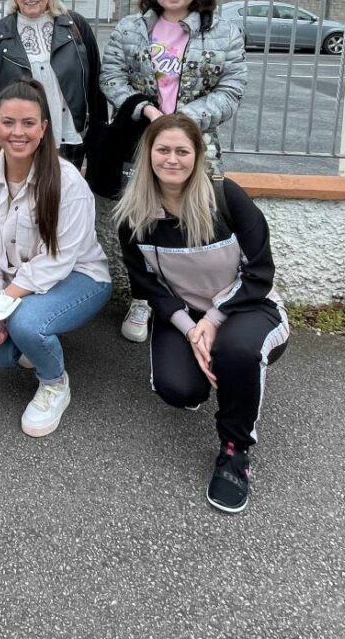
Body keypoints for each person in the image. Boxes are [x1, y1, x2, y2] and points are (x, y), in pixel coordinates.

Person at [113, 113, 289, 514]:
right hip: (186, 316)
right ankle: (217, 375)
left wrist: (212, 321)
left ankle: (234, 450)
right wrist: (192, 330)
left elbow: (260, 273)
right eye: (162, 150)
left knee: (236, 352)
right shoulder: (133, 218)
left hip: (248, 306)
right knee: (179, 389)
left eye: (182, 151)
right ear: (148, 154)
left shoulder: (226, 199)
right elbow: (149, 288)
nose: (171, 159)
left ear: (197, 156)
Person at [99, 0, 247, 343]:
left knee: (195, 216)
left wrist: (184, 122)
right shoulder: (132, 28)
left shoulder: (223, 32)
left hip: (196, 144)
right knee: (141, 219)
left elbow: (232, 88)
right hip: (140, 140)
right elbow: (111, 75)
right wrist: (148, 112)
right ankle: (145, 298)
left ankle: (197, 300)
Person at [0, 80, 112, 438]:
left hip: (79, 278)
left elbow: (59, 261)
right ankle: (33, 340)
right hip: (13, 282)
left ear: (44, 128)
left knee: (27, 322)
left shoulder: (68, 183)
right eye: (9, 122)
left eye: (29, 123)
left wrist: (5, 302)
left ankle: (54, 382)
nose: (18, 132)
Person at [0, 0, 106, 166]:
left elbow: (94, 83)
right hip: (21, 138)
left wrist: (98, 131)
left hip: (69, 135)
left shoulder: (75, 25)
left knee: (66, 196)